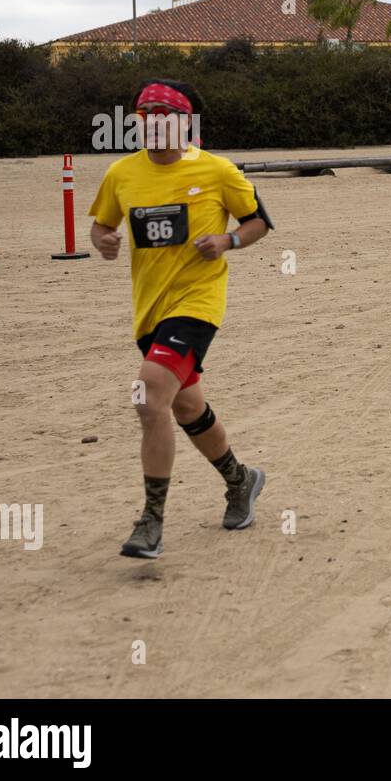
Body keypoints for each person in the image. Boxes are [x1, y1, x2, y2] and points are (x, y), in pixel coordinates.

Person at [89, 79, 273, 559]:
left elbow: (258, 221)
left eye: (163, 114)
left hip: (197, 302)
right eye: (144, 114)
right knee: (186, 408)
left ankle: (151, 521)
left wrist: (228, 241)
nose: (152, 122)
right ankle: (241, 480)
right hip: (149, 310)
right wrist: (103, 241)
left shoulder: (216, 170)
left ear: (184, 122)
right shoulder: (121, 174)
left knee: (149, 397)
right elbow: (102, 224)